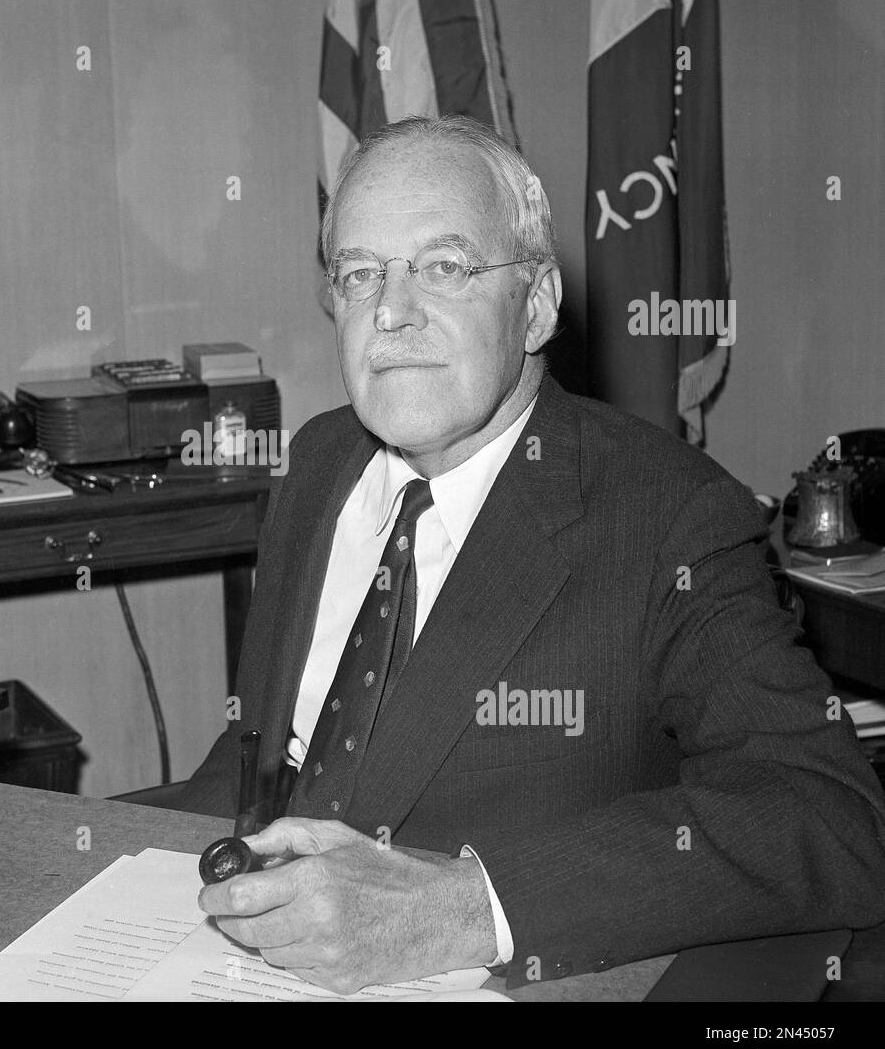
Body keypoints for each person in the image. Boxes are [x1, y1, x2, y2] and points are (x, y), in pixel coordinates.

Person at [180, 114, 885, 993]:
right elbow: (272, 742)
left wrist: (470, 907)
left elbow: (829, 816)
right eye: (360, 274)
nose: (391, 312)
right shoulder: (318, 464)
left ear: (539, 303)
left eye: (444, 266)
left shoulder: (667, 515)